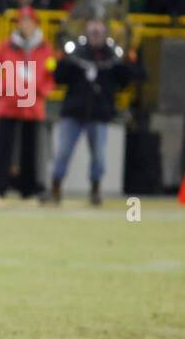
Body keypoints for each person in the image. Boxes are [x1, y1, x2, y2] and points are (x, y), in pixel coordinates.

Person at [49, 17, 144, 205]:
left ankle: (95, 190)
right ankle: (55, 189)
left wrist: (129, 61)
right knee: (63, 153)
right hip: (74, 112)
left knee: (99, 156)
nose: (96, 30)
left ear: (105, 31)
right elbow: (59, 78)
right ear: (86, 29)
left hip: (99, 114)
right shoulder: (76, 52)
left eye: (99, 27)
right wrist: (62, 61)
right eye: (92, 25)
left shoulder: (113, 56)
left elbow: (126, 80)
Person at [0, 7, 55, 199]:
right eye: (22, 21)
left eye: (29, 21)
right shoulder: (7, 45)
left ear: (35, 24)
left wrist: (41, 91)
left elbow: (50, 75)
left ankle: (28, 187)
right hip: (8, 104)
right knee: (2, 148)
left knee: (31, 149)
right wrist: (2, 88)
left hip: (32, 106)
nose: (25, 25)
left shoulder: (45, 48)